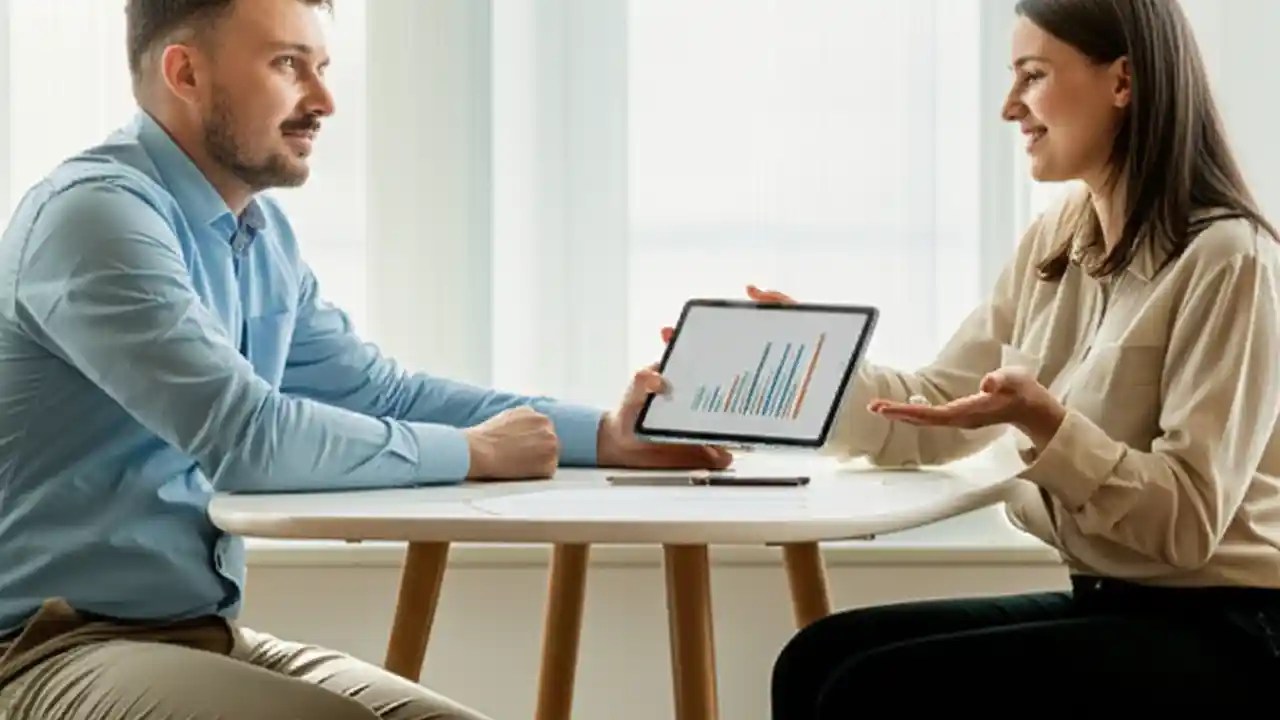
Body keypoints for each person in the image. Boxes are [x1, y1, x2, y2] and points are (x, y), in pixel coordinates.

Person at [0, 1, 730, 718]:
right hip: (47, 651)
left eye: (321, 67)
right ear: (185, 72)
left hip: (199, 638)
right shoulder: (97, 217)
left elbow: (380, 393)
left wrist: (600, 435)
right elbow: (251, 441)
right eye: (288, 65)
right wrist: (473, 452)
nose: (323, 100)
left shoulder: (257, 234)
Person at [662, 0, 1280, 714]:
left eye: (1033, 75)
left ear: (1124, 82)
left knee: (869, 691)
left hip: (1231, 625)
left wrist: (1052, 428)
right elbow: (940, 404)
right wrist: (812, 374)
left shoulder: (1230, 259)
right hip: (1114, 600)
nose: (1009, 108)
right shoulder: (1058, 239)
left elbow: (1188, 522)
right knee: (817, 658)